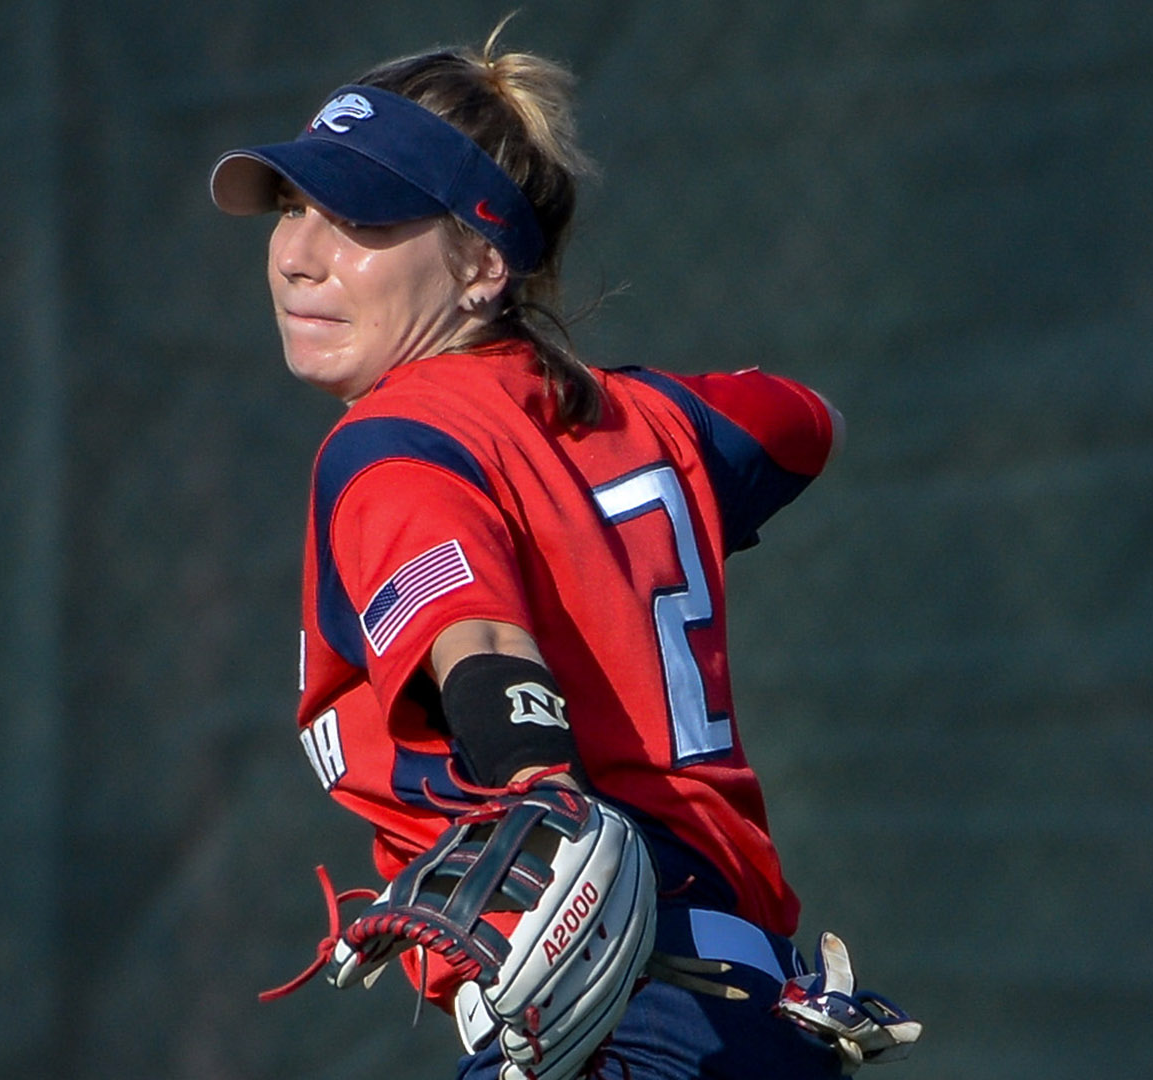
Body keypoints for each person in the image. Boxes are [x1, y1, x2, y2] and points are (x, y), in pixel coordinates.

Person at [210, 22, 919, 1080]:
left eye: (360, 219)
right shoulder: (653, 422)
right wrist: (625, 445)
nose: (300, 253)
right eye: (295, 206)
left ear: (483, 262)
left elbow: (479, 640)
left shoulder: (394, 446)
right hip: (765, 1022)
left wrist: (541, 784)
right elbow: (802, 421)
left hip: (614, 1023)